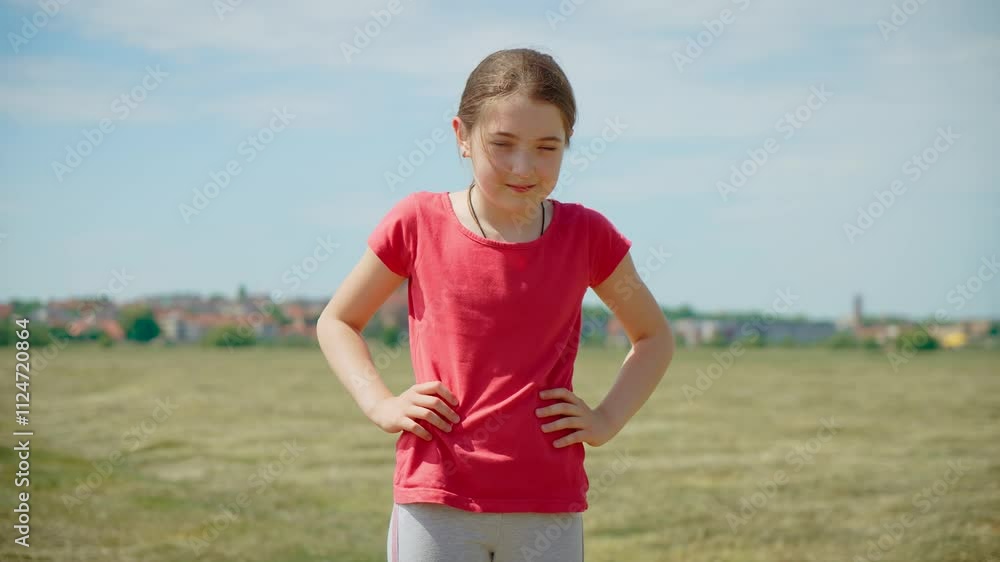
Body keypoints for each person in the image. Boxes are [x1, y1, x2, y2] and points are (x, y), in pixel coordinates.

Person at [317, 47, 675, 562]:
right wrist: (380, 403)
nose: (523, 166)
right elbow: (338, 321)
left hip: (548, 504)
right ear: (462, 136)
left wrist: (605, 420)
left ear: (568, 144)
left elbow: (654, 337)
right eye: (501, 144)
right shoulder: (417, 222)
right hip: (436, 499)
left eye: (547, 147)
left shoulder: (588, 236)